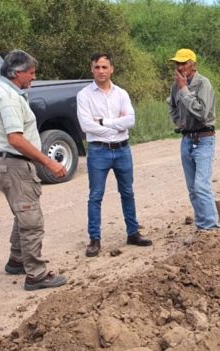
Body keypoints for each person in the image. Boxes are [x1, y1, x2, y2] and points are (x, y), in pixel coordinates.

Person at [0, 50, 68, 291]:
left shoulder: (1, 91)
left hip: (1, 162)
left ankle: (17, 260)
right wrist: (48, 162)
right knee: (31, 219)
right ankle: (36, 275)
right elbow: (16, 139)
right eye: (31, 73)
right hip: (13, 163)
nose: (33, 77)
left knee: (22, 212)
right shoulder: (9, 97)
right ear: (17, 73)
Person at [76, 52, 152, 257]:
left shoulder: (121, 94)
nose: (101, 71)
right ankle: (95, 239)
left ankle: (133, 233)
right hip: (98, 150)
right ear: (92, 69)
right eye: (97, 67)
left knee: (127, 192)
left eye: (104, 67)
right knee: (95, 196)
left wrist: (102, 122)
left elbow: (130, 121)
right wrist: (115, 126)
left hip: (122, 150)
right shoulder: (84, 95)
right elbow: (86, 125)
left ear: (111, 69)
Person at [167, 48, 219, 231]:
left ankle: (212, 227)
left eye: (183, 63)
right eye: (177, 63)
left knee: (201, 186)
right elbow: (171, 105)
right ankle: (201, 225)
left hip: (204, 138)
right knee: (192, 188)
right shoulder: (175, 86)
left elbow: (202, 113)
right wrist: (178, 120)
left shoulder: (203, 84)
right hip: (187, 139)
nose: (180, 67)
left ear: (193, 64)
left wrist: (184, 90)